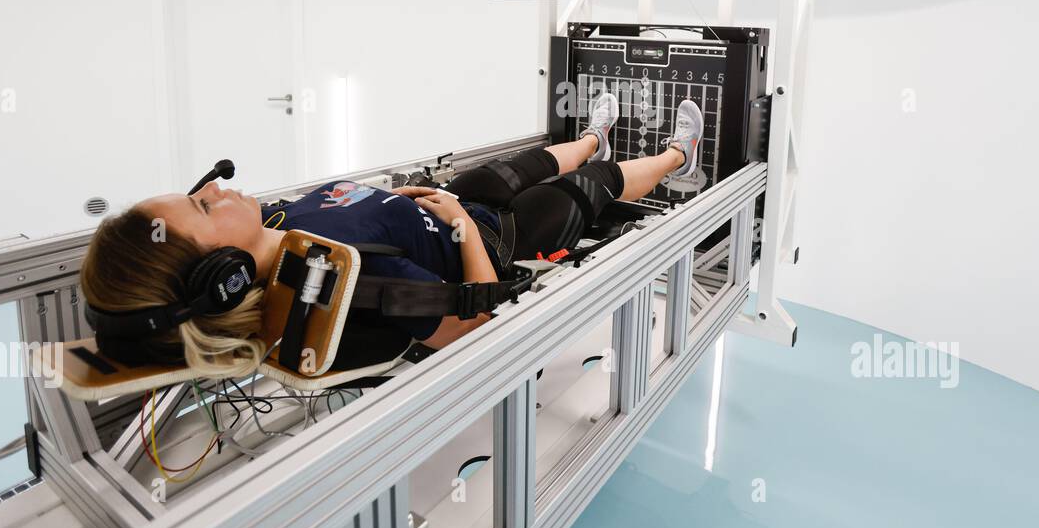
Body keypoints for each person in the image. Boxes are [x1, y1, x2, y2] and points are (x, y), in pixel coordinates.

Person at [79, 93, 705, 377]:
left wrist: (400, 204)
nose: (217, 187)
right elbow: (475, 331)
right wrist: (462, 227)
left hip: (448, 207)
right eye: (202, 205)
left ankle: (594, 135)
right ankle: (680, 155)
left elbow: (349, 214)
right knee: (589, 187)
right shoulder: (344, 279)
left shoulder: (274, 227)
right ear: (224, 273)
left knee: (524, 164)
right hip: (496, 240)